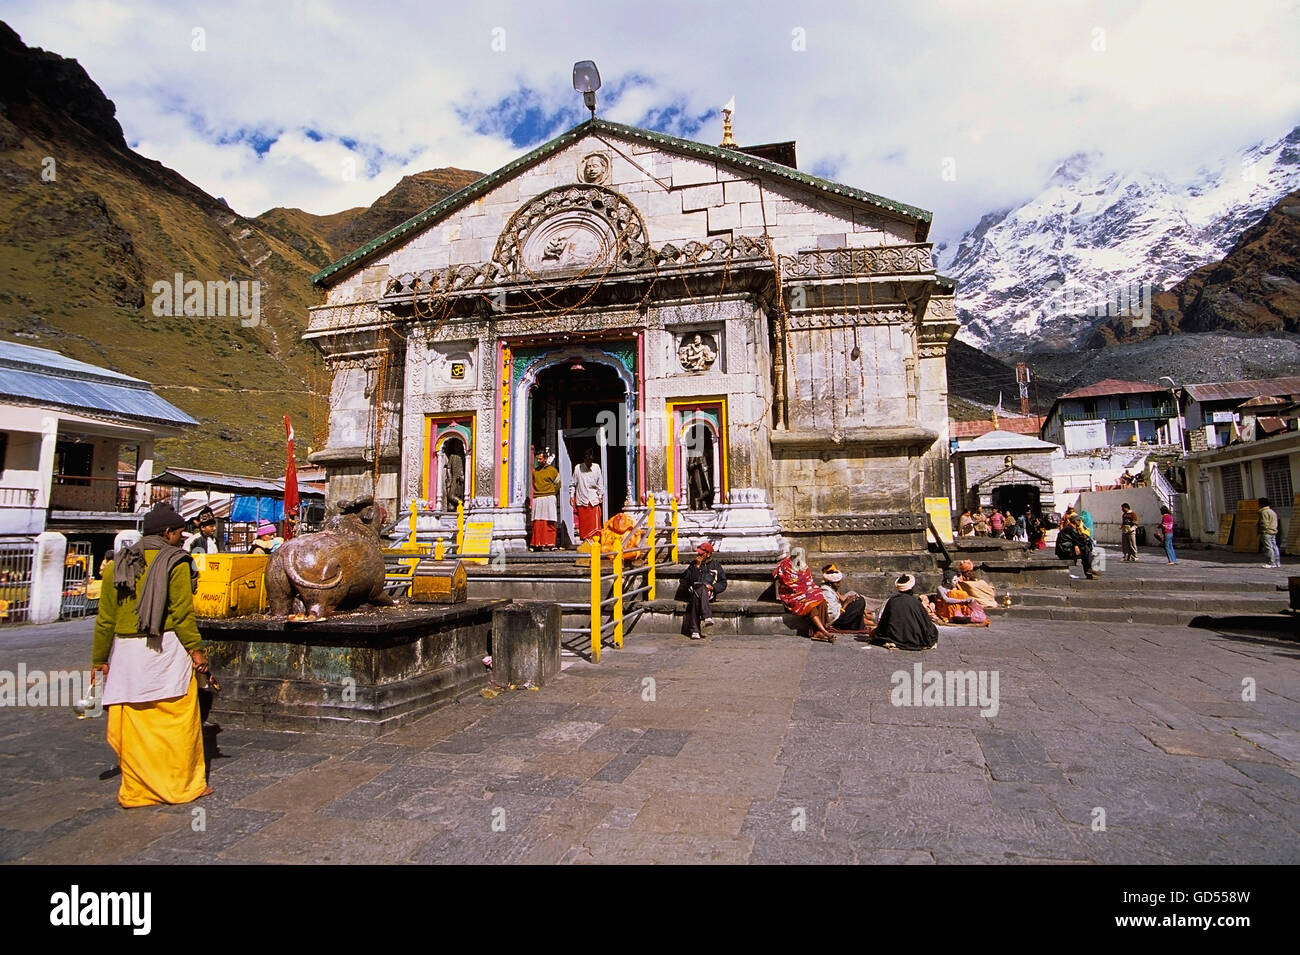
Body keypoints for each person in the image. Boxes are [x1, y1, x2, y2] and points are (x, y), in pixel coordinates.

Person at [92, 502, 211, 807]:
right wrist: (197, 652)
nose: (182, 539)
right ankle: (180, 785)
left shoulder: (118, 563)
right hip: (166, 649)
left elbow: (105, 618)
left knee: (136, 724)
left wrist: (99, 659)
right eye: (180, 533)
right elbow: (182, 615)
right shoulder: (176, 562)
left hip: (126, 655)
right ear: (167, 533)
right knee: (175, 721)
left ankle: (137, 789)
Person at [774, 546, 834, 642]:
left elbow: (809, 581)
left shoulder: (803, 565)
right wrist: (802, 589)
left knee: (821, 600)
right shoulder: (785, 566)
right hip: (791, 595)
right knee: (809, 605)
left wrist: (808, 589)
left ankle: (818, 632)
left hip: (805, 591)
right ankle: (824, 632)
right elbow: (789, 584)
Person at [870, 574, 939, 650]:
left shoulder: (892, 601)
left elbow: (884, 622)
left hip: (894, 635)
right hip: (915, 636)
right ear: (912, 588)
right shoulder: (915, 602)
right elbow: (925, 622)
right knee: (933, 631)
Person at [681, 541, 726, 640]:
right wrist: (696, 567)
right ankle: (707, 616)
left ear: (709, 554)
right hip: (694, 592)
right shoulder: (693, 565)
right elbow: (687, 581)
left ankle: (695, 630)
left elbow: (723, 583)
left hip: (709, 594)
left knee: (701, 590)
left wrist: (713, 587)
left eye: (701, 553)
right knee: (698, 591)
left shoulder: (716, 565)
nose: (699, 555)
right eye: (698, 553)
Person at [820, 564, 870, 632]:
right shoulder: (827, 592)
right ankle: (853, 626)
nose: (839, 585)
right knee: (860, 602)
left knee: (859, 599)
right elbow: (832, 616)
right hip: (837, 621)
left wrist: (848, 600)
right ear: (830, 583)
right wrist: (846, 603)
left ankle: (856, 625)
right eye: (837, 583)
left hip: (840, 612)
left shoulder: (830, 589)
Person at [569, 448, 604, 542]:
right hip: (582, 498)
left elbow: (600, 483)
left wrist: (600, 495)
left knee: (595, 523)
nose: (589, 462)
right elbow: (573, 484)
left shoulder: (596, 467)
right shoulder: (578, 468)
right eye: (587, 460)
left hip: (593, 499)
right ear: (584, 460)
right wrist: (572, 496)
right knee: (584, 524)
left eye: (590, 461)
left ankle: (595, 542)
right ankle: (586, 542)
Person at [530, 453, 561, 550]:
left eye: (540, 459)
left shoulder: (553, 471)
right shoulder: (535, 471)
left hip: (549, 497)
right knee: (538, 521)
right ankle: (538, 544)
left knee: (549, 521)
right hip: (538, 498)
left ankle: (550, 544)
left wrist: (551, 493)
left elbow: (558, 484)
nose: (538, 461)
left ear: (546, 458)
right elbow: (534, 483)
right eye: (537, 459)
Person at [1258, 498, 1281, 569]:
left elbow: (1264, 523)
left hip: (1267, 532)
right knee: (1274, 547)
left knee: (1268, 547)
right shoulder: (1272, 511)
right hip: (1273, 531)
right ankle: (1277, 562)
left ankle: (1271, 562)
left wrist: (1263, 529)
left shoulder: (1264, 512)